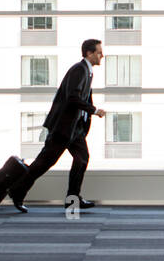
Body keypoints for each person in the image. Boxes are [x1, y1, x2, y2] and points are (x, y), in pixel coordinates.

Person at [7, 38, 105, 213]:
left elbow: (83, 97)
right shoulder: (79, 70)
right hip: (63, 127)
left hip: (75, 129)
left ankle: (72, 200)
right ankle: (17, 190)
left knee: (81, 159)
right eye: (99, 52)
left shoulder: (87, 71)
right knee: (44, 162)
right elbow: (72, 98)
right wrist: (94, 110)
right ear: (89, 53)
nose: (102, 55)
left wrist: (87, 115)